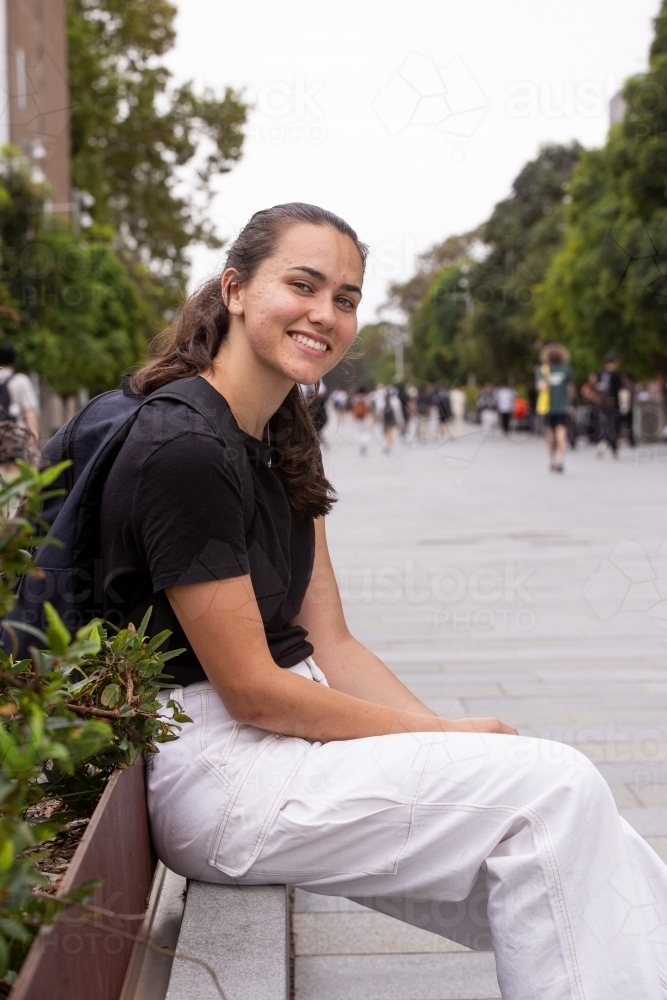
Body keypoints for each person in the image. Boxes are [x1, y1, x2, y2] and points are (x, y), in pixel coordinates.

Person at [101, 203, 667, 999]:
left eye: (345, 297)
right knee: (555, 788)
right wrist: (438, 734)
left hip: (294, 741)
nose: (324, 314)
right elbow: (254, 692)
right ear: (233, 289)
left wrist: (453, 744)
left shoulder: (283, 429)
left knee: (587, 855)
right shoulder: (183, 449)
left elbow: (330, 643)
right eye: (302, 285)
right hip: (221, 777)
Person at [0, 343, 40, 478]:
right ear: (13, 360)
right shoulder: (21, 380)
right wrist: (33, 435)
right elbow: (29, 411)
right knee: (14, 477)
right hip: (16, 436)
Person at [535, 344, 573, 472]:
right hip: (562, 407)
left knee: (550, 433)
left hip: (548, 407)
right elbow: (570, 390)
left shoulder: (543, 370)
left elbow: (541, 387)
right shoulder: (567, 370)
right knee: (561, 432)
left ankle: (552, 459)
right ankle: (560, 459)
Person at [595, 353, 623, 459]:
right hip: (613, 402)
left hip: (602, 403)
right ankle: (609, 445)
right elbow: (620, 389)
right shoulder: (616, 375)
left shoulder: (601, 374)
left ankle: (605, 442)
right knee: (613, 426)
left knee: (606, 424)